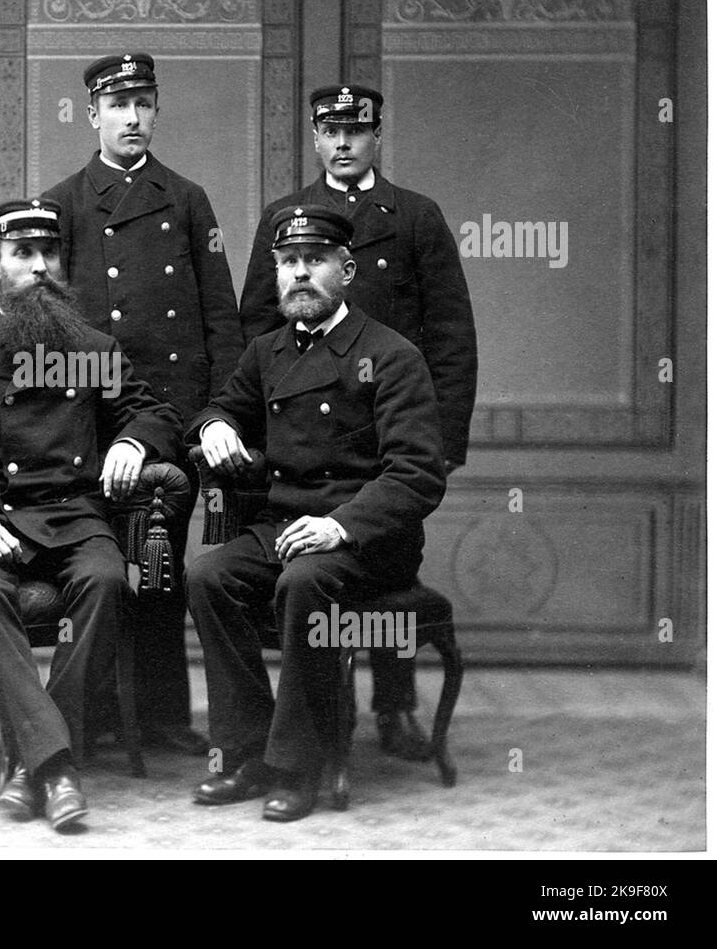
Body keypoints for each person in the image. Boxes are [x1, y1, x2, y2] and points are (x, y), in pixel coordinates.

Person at [0, 198, 182, 831]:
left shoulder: (92, 347)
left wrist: (130, 441)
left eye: (49, 253)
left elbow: (153, 414)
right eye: (22, 255)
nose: (39, 267)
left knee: (109, 579)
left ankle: (32, 763)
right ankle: (57, 768)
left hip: (75, 515)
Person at [238, 83, 477, 761]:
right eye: (331, 131)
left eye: (358, 131)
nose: (344, 143)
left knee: (385, 561)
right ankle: (322, 714)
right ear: (315, 138)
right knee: (308, 572)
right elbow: (257, 323)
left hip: (394, 432)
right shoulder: (284, 217)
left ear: (377, 136)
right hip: (307, 435)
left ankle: (394, 708)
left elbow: (452, 333)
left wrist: (443, 441)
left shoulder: (415, 216)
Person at [186, 204, 446, 822]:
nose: (300, 274)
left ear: (347, 269)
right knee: (207, 576)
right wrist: (218, 424)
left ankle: (300, 765)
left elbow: (417, 474)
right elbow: (217, 407)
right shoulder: (268, 351)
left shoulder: (390, 354)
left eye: (314, 261)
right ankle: (246, 751)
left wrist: (340, 525)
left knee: (305, 582)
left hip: (365, 538)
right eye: (288, 263)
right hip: (285, 525)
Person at [41, 52, 242, 754]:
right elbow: (46, 322)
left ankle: (160, 714)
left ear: (156, 112)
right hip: (94, 420)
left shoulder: (188, 200)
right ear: (92, 114)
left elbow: (221, 317)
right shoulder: (63, 204)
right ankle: (94, 714)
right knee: (97, 564)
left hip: (178, 416)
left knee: (162, 567)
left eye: (144, 105)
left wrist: (217, 411)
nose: (133, 118)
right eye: (119, 106)